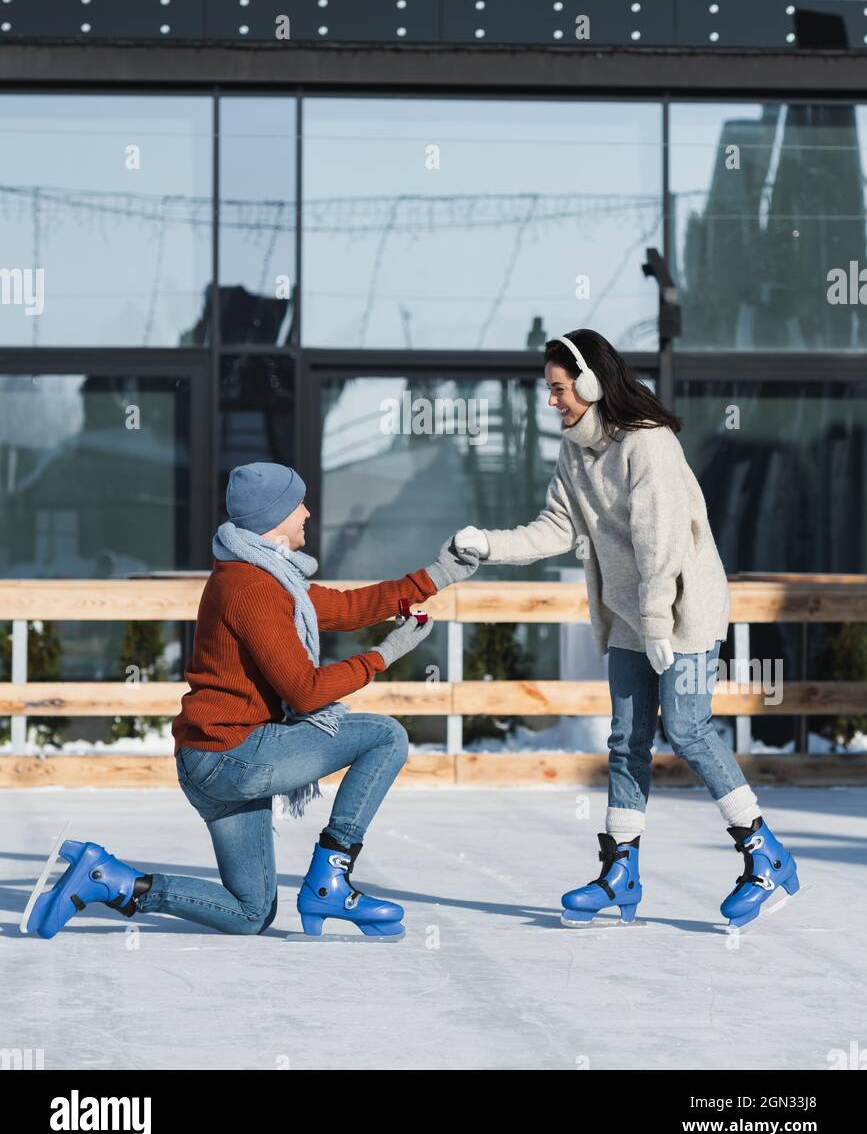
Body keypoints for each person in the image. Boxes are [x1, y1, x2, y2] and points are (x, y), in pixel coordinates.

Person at [22, 461, 480, 940]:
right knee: (385, 736)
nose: (306, 512)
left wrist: (438, 574)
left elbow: (346, 607)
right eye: (297, 504)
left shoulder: (264, 578)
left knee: (250, 913)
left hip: (212, 759)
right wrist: (382, 656)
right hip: (231, 757)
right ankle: (331, 880)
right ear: (274, 517)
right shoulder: (253, 589)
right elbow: (304, 692)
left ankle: (112, 882)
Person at [456, 329, 798, 930]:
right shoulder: (573, 452)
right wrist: (488, 543)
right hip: (631, 616)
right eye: (549, 390)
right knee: (627, 739)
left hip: (683, 611)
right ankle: (622, 871)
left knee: (688, 730)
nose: (553, 400)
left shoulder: (649, 445)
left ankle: (764, 855)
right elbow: (554, 529)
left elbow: (660, 540)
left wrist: (659, 620)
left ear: (590, 383)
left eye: (559, 389)